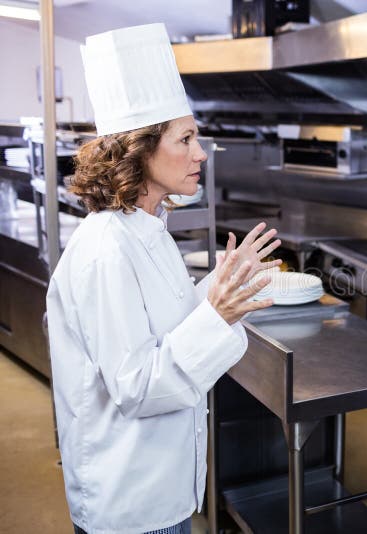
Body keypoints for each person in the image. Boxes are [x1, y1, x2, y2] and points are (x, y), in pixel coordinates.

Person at [46, 23, 281, 534]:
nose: (200, 153)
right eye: (187, 138)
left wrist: (220, 288)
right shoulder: (107, 249)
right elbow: (138, 387)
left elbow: (161, 328)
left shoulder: (147, 228)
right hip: (131, 502)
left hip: (159, 486)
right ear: (140, 150)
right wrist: (217, 313)